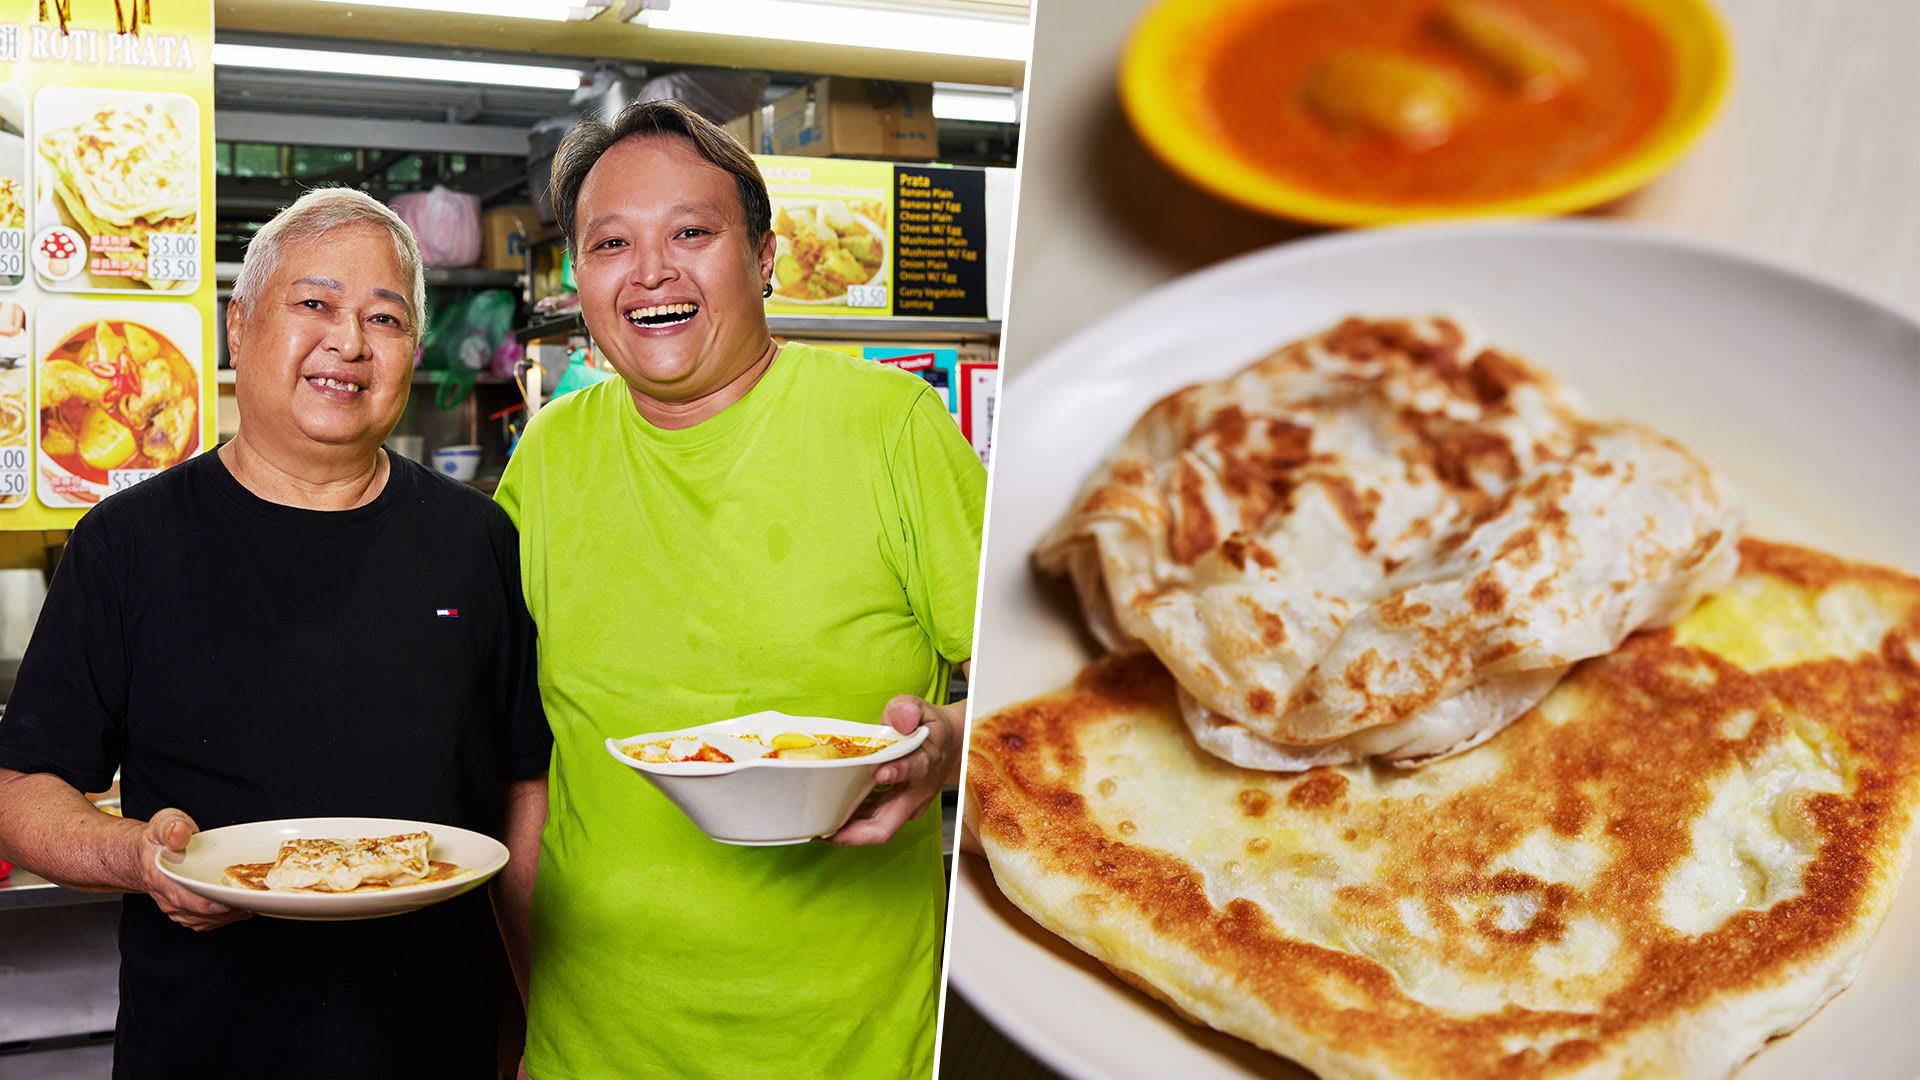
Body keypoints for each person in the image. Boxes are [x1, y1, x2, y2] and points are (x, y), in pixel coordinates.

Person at [0, 187, 549, 1079]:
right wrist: (136, 857)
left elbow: (521, 794)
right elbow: (20, 787)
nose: (350, 341)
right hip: (205, 1046)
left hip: (437, 1043)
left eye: (386, 316)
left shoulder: (475, 537)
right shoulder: (130, 542)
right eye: (315, 304)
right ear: (238, 326)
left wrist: (537, 1021)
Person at [496, 99, 983, 1080]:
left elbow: (1052, 694)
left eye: (691, 233)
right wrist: (522, 998)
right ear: (579, 281)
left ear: (764, 258)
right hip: (591, 1040)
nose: (651, 272)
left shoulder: (888, 426)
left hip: (846, 1044)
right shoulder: (549, 458)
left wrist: (953, 744)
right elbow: (521, 759)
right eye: (609, 244)